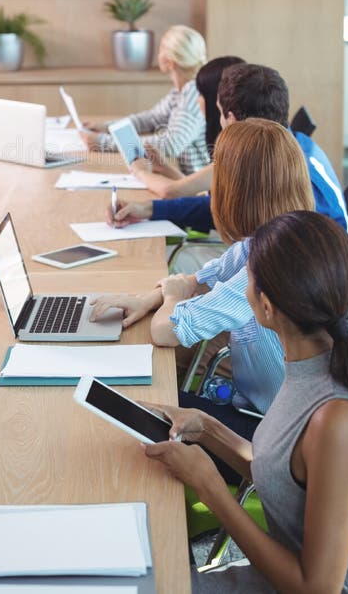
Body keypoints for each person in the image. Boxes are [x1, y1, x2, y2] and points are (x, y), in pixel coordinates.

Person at [142, 212, 348, 593]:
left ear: (266, 306)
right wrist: (207, 428)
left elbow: (316, 587)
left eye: (246, 278)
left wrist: (210, 488)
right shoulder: (308, 363)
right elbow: (285, 475)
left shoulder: (338, 418)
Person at [90, 119, 315, 479]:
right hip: (277, 415)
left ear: (233, 191)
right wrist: (151, 298)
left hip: (273, 441)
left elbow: (165, 331)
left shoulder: (264, 268)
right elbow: (195, 279)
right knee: (134, 391)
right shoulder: (271, 240)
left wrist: (169, 300)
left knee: (129, 414)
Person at [111, 62, 348, 233]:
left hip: (304, 284)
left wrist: (152, 207)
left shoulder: (268, 169)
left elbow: (220, 216)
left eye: (220, 113)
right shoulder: (292, 144)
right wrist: (150, 209)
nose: (220, 122)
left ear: (232, 119)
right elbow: (219, 208)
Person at [79, 25, 209, 175]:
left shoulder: (193, 94)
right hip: (182, 178)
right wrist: (107, 127)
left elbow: (171, 144)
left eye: (161, 50)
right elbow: (151, 118)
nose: (158, 55)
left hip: (194, 189)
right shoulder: (181, 92)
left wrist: (105, 143)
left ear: (170, 62)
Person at [125, 55, 245, 199]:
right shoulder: (231, 141)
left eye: (201, 94)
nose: (196, 100)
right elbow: (204, 196)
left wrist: (141, 173)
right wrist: (165, 168)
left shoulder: (235, 151)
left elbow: (170, 191)